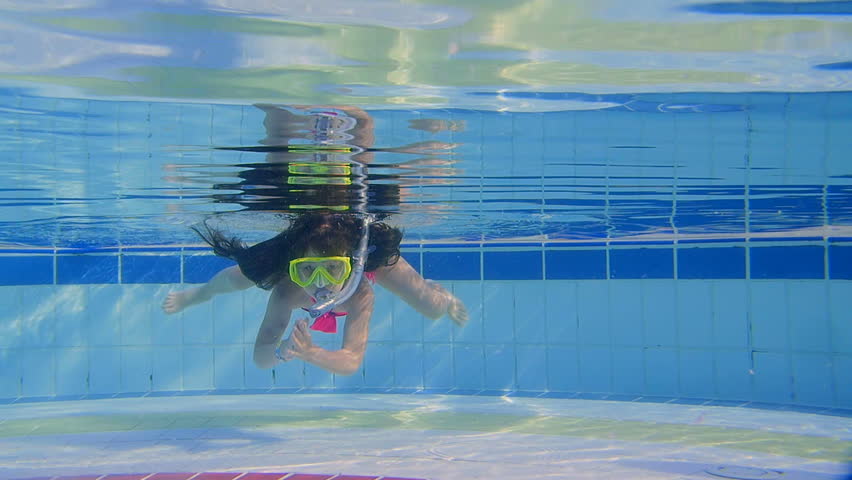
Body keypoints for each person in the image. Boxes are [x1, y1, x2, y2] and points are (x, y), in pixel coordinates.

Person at [162, 212, 468, 375]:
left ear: (350, 266)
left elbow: (351, 361)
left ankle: (441, 293)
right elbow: (261, 357)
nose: (321, 282)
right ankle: (200, 293)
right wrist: (283, 351)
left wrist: (312, 353)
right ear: (294, 269)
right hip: (305, 257)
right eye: (308, 270)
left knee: (433, 307)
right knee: (240, 276)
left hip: (365, 258)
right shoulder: (288, 291)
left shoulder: (359, 291)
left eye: (333, 269)